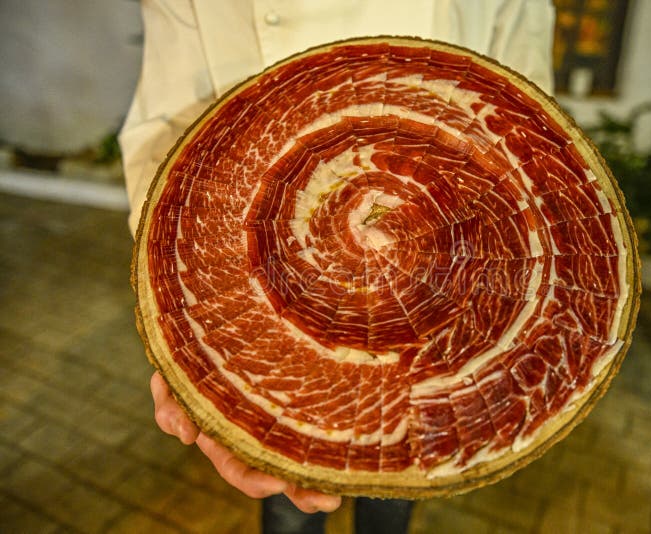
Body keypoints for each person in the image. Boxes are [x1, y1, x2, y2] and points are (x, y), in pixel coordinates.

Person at [120, 1, 555, 532]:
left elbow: (524, 120)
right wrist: (180, 295)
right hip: (265, 269)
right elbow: (166, 123)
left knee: (395, 487)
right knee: (291, 491)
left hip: (444, 272)